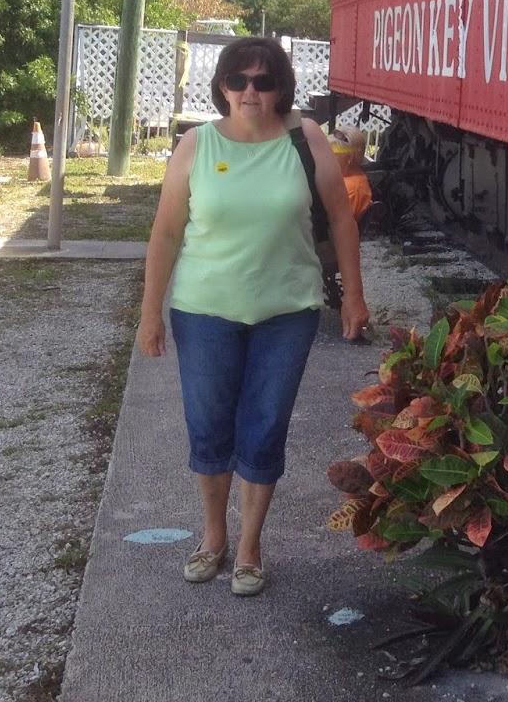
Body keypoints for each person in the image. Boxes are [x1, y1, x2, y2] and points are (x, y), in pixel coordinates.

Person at [137, 36, 368, 597]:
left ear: (281, 87)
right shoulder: (194, 144)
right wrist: (151, 312)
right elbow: (166, 231)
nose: (250, 91)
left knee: (264, 428)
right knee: (210, 426)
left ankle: (249, 546)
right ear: (221, 86)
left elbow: (341, 219)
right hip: (203, 309)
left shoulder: (305, 138)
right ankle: (213, 537)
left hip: (286, 312)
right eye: (238, 80)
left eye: (264, 81)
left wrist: (355, 297)